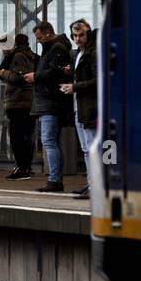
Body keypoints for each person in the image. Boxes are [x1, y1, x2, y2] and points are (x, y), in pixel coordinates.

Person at [27, 21, 72, 192]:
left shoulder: (56, 48)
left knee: (49, 140)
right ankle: (55, 179)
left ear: (48, 33)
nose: (38, 41)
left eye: (39, 37)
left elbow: (53, 73)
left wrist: (36, 77)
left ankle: (54, 179)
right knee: (52, 141)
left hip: (50, 101)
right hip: (50, 100)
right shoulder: (54, 48)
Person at [60, 21, 97, 200]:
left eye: (81, 35)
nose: (78, 39)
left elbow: (98, 80)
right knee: (86, 148)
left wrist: (74, 86)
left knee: (92, 149)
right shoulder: (79, 54)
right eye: (75, 36)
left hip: (91, 107)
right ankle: (91, 184)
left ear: (88, 34)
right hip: (80, 107)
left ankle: (96, 185)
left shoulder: (93, 53)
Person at [0, 33, 37, 179]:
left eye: (4, 48)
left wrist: (3, 73)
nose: (3, 51)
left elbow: (20, 77)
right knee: (26, 135)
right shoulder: (29, 55)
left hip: (18, 101)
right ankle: (25, 166)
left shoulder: (18, 56)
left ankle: (22, 167)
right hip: (27, 101)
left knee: (17, 136)